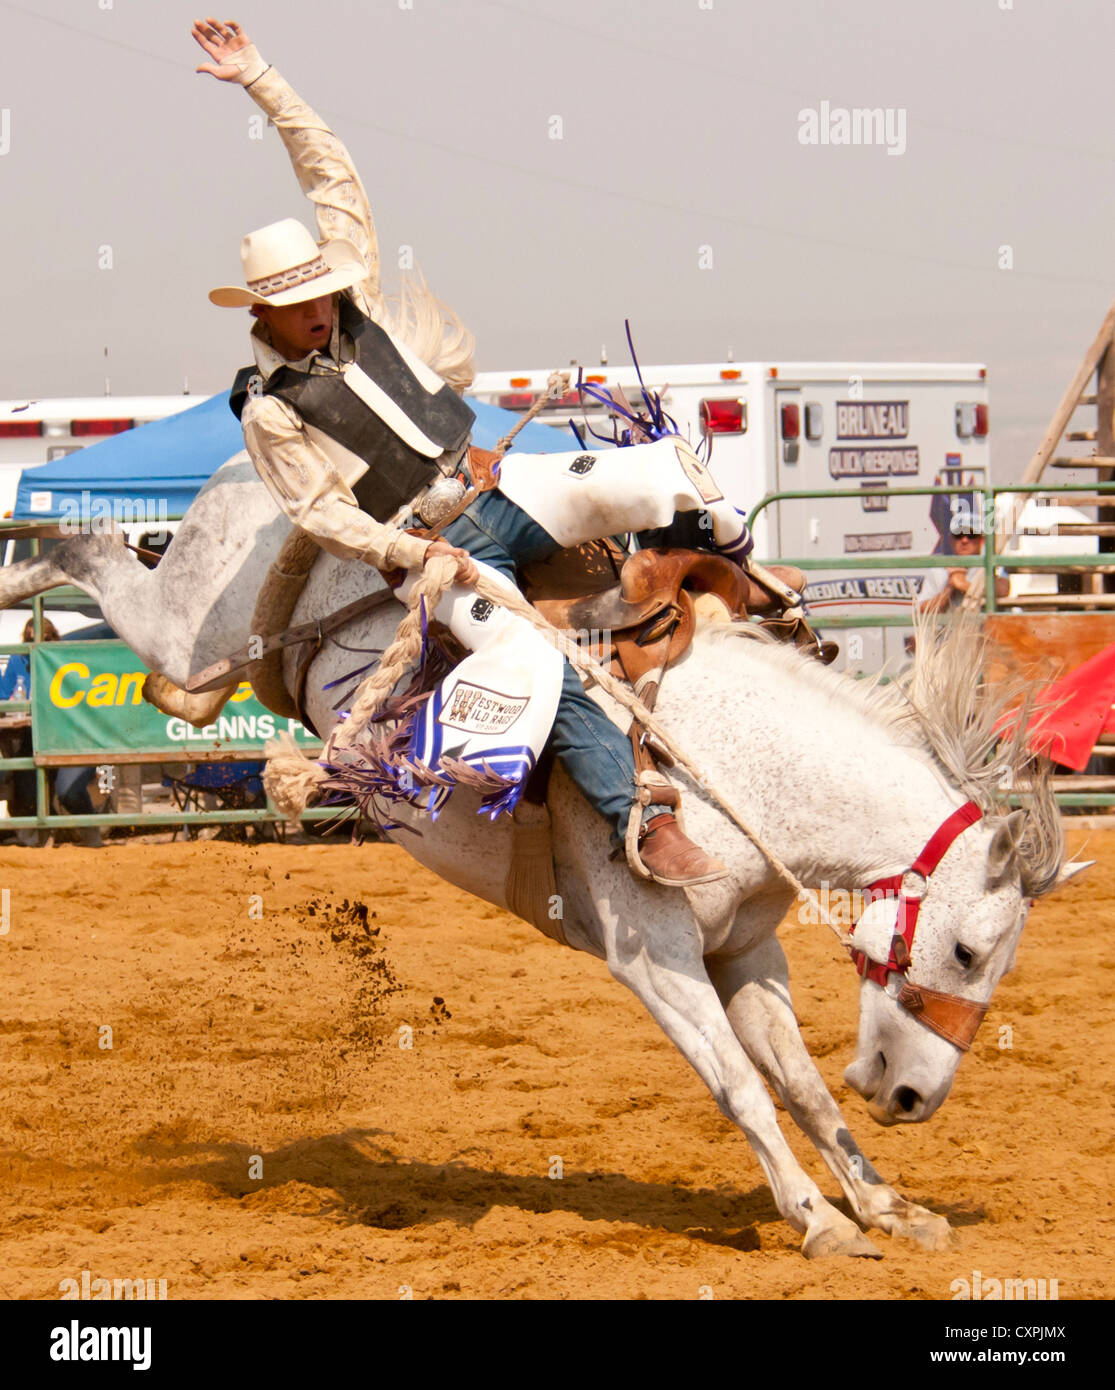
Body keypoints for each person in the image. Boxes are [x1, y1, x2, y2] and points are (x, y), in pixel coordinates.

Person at [191, 17, 770, 887]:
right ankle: (640, 821)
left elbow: (329, 169)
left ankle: (747, 574)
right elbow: (320, 513)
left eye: (319, 289)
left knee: (660, 470)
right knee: (537, 660)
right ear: (262, 315)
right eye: (300, 301)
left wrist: (260, 78)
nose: (319, 307)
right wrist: (417, 553)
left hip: (498, 485)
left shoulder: (355, 293)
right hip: (437, 547)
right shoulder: (270, 410)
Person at [0, 618, 102, 847]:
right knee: (25, 784)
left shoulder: (68, 660)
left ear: (54, 638)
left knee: (69, 791)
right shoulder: (19, 659)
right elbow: (5, 697)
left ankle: (89, 833)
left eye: (44, 640)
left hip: (72, 738)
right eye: (29, 640)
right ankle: (43, 836)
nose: (35, 645)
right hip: (33, 736)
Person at [917, 516, 1010, 614]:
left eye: (971, 535)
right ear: (951, 540)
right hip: (951, 627)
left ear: (981, 540)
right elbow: (925, 611)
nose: (964, 540)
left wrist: (963, 585)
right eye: (959, 535)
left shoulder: (990, 562)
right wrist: (949, 587)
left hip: (984, 626)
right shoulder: (939, 570)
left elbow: (1003, 590)